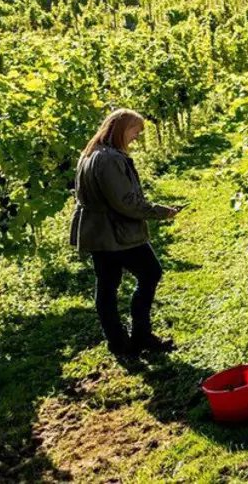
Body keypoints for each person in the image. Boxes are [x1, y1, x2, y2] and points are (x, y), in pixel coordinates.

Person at [70, 109, 179, 358]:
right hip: (116, 233)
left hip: (98, 233)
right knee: (150, 272)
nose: (135, 138)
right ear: (120, 128)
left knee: (107, 286)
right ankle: (140, 335)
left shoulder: (90, 153)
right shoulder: (109, 159)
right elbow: (125, 202)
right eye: (135, 131)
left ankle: (118, 343)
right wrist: (158, 212)